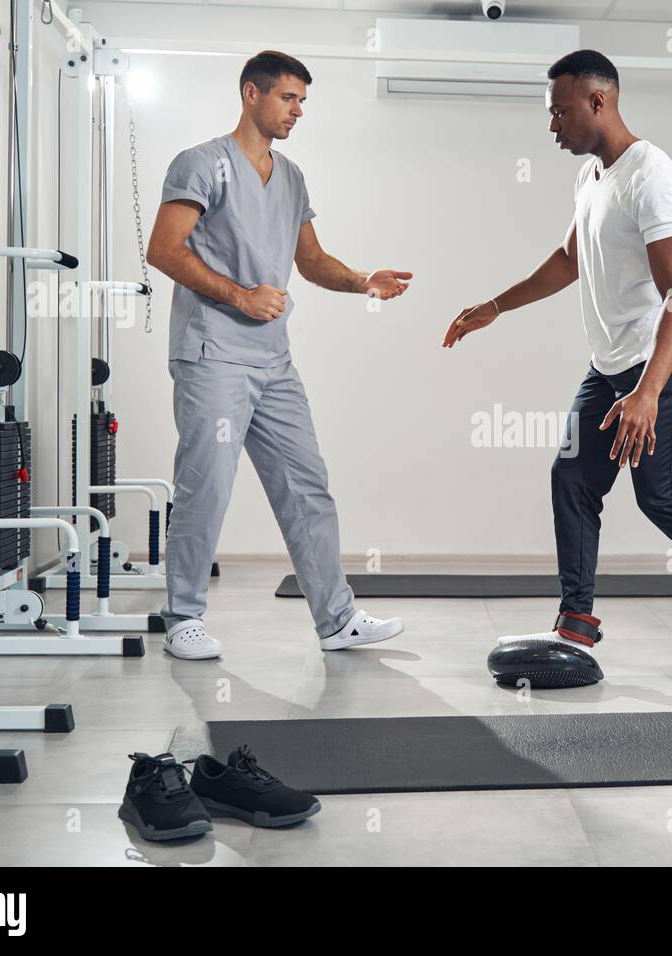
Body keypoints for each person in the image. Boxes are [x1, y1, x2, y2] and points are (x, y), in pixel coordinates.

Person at [443, 50, 672, 683]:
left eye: (560, 111)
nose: (552, 126)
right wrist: (496, 305)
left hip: (668, 357)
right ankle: (576, 629)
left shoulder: (653, 178)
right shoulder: (593, 176)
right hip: (613, 364)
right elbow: (568, 258)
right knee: (572, 478)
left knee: (662, 496)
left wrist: (649, 391)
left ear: (598, 101)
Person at [146, 50, 408, 660]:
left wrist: (363, 278)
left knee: (306, 485)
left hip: (272, 362)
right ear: (251, 94)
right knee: (206, 486)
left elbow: (310, 260)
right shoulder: (202, 164)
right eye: (288, 98)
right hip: (212, 354)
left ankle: (336, 619)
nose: (297, 111)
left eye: (303, 102)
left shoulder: (289, 176)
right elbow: (163, 249)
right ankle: (183, 617)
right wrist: (240, 295)